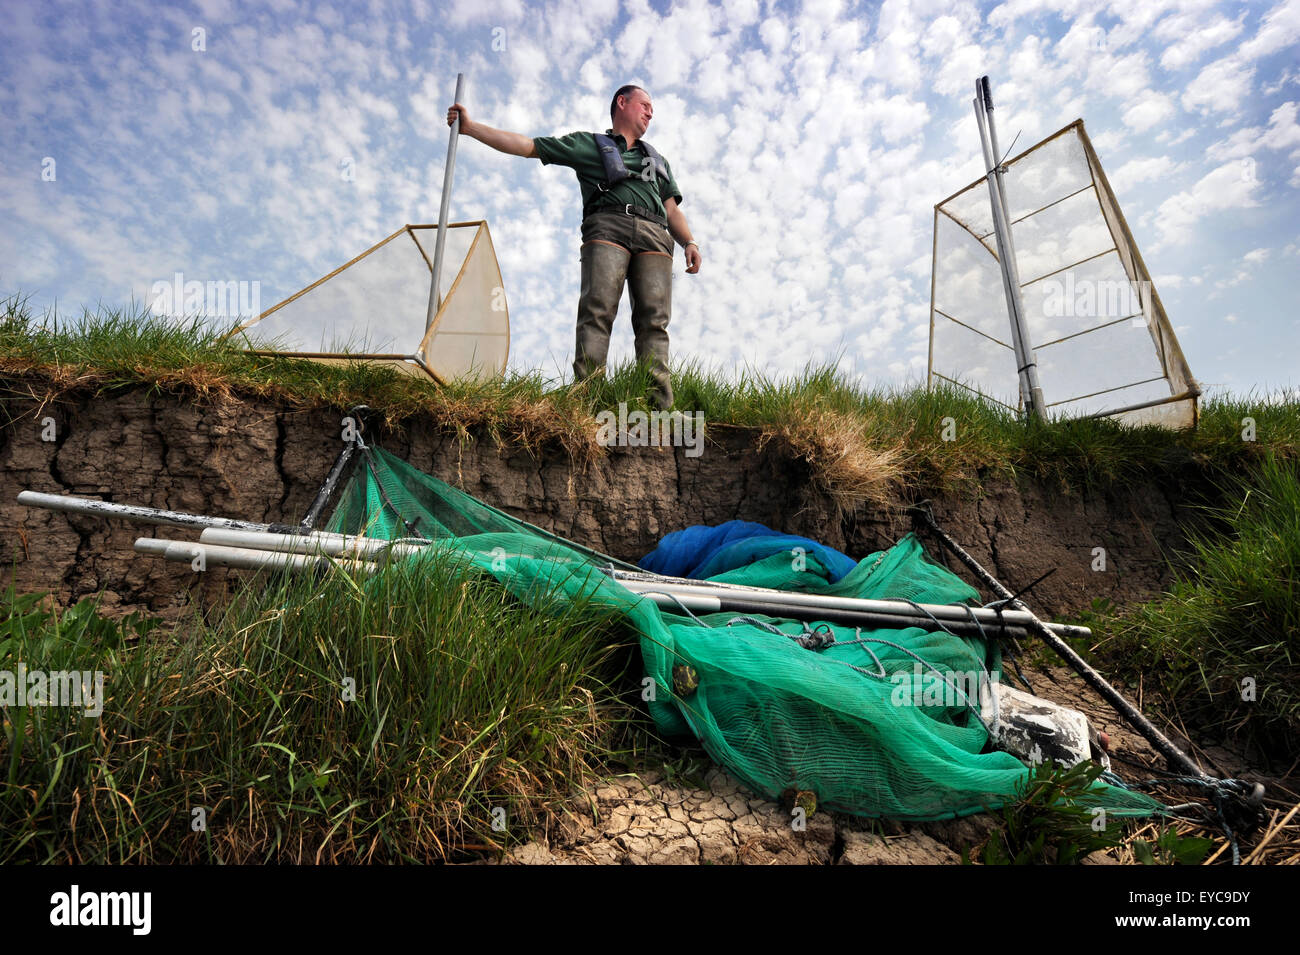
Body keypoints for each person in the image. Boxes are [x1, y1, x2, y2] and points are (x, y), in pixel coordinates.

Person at [446, 85, 700, 410]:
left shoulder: (657, 159)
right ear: (622, 103)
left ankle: (658, 409)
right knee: (597, 311)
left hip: (655, 235)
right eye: (645, 105)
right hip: (608, 225)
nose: (651, 112)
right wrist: (470, 128)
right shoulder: (589, 145)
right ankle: (588, 403)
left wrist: (689, 241)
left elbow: (671, 209)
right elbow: (528, 146)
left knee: (654, 322)